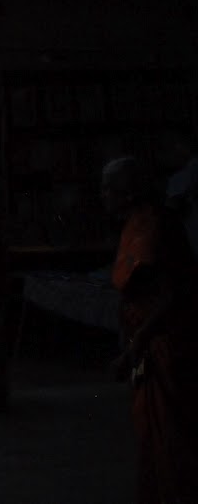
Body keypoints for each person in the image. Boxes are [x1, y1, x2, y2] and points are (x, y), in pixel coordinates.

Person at [101, 156, 198, 503]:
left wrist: (135, 346)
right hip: (150, 341)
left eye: (110, 190)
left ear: (127, 195)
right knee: (154, 436)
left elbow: (171, 295)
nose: (104, 196)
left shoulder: (153, 226)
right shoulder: (139, 224)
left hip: (166, 343)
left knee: (171, 438)